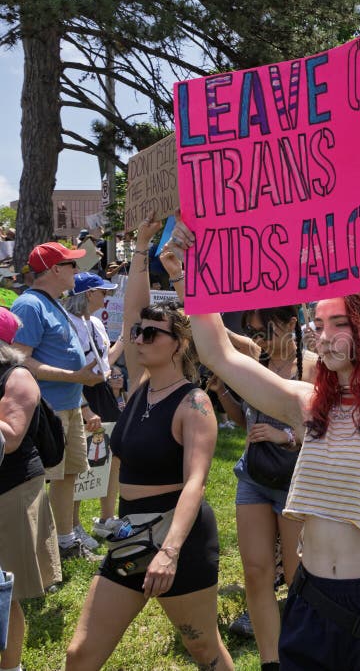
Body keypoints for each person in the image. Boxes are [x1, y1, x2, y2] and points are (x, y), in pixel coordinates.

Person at [178, 175, 360, 670]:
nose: (323, 337)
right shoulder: (306, 405)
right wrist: (187, 277)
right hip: (308, 603)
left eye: (338, 323)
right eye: (318, 326)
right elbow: (218, 354)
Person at [65, 217, 234, 671]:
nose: (139, 338)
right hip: (129, 534)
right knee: (80, 655)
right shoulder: (140, 386)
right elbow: (136, 305)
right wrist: (141, 247)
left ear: (179, 344)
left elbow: (196, 484)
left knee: (204, 650)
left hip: (177, 538)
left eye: (151, 334)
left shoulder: (193, 403)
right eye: (138, 333)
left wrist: (170, 551)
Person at [209, 304, 317, 669]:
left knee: (296, 575)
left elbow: (328, 428)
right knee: (255, 573)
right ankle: (271, 660)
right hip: (253, 478)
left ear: (291, 324)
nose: (260, 340)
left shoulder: (315, 366)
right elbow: (245, 421)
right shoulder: (257, 360)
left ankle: (301, 653)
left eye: (266, 331)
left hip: (295, 482)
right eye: (254, 333)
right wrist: (224, 393)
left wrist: (285, 434)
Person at [10, 242, 105, 561]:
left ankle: (64, 542)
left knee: (69, 474)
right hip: (45, 411)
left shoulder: (55, 303)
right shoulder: (29, 305)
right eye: (71, 265)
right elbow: (21, 362)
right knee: (40, 482)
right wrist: (75, 377)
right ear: (54, 270)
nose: (77, 271)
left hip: (68, 406)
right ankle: (37, 553)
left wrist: (80, 398)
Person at [0, 309, 62, 671]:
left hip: (12, 488)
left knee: (3, 590)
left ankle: (11, 666)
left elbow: (9, 438)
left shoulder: (18, 377)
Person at [64, 272, 125, 547]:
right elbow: (72, 370)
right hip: (81, 392)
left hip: (101, 391)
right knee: (80, 462)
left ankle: (106, 517)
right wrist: (85, 409)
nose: (107, 297)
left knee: (111, 455)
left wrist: (124, 337)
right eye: (103, 292)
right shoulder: (69, 324)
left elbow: (104, 362)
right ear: (88, 294)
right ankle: (72, 524)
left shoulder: (95, 324)